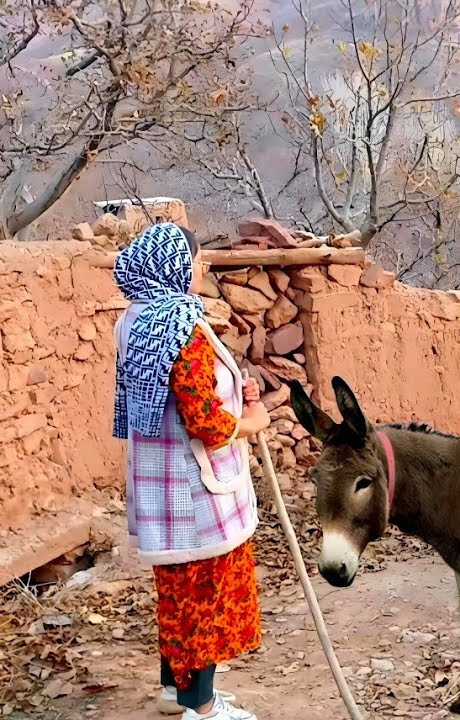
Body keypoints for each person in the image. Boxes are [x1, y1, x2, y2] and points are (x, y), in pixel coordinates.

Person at [112, 222, 271, 720]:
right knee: (205, 595)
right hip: (197, 486)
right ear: (176, 268)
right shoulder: (181, 328)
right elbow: (205, 422)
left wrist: (236, 389)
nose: (202, 270)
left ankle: (174, 691)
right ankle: (201, 708)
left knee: (176, 592)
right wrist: (251, 421)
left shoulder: (135, 320)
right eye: (197, 261)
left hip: (158, 482)